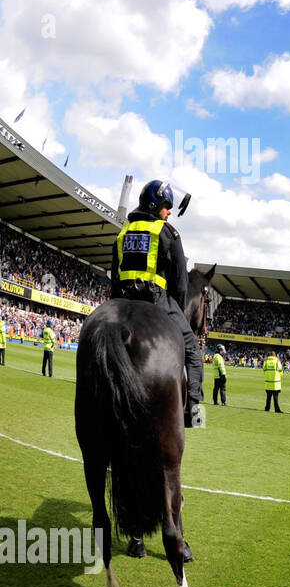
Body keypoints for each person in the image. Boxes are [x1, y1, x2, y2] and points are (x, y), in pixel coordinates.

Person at [110, 180, 205, 427]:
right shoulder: (168, 232)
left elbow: (114, 276)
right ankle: (194, 411)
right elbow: (180, 283)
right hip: (156, 301)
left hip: (122, 302)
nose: (169, 211)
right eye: (166, 206)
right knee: (193, 352)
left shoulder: (122, 232)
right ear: (154, 205)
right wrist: (179, 312)